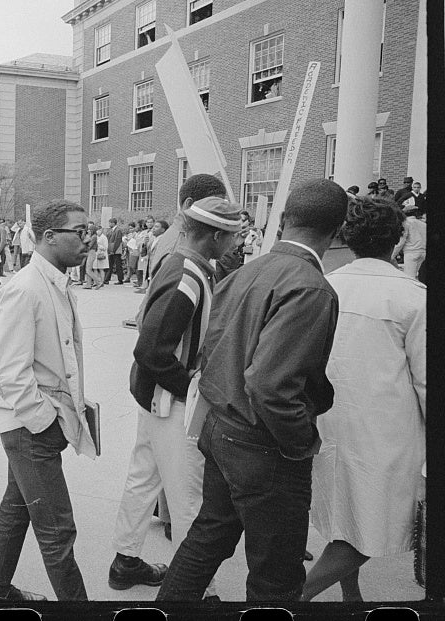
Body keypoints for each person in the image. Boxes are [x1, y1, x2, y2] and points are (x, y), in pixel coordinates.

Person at [156, 178, 350, 602]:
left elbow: (214, 355)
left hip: (223, 428)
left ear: (282, 221)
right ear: (337, 233)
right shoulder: (310, 287)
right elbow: (270, 385)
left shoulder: (244, 272)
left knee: (207, 538)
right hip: (263, 444)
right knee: (276, 576)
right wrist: (300, 443)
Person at [108, 197, 241, 597]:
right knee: (189, 501)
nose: (236, 243)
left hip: (157, 399)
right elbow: (151, 351)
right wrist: (192, 391)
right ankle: (200, 591)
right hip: (172, 404)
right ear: (215, 236)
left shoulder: (184, 265)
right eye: (232, 236)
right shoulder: (188, 275)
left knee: (143, 479)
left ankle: (126, 560)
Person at [300, 196, 426, 602]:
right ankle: (295, 598)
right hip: (386, 434)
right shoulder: (414, 297)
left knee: (345, 518)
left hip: (328, 424)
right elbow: (427, 383)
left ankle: (350, 596)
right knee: (373, 526)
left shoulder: (326, 284)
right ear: (398, 240)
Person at [0, 199, 96, 602]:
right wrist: (44, 421)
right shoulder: (25, 288)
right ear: (49, 237)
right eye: (79, 232)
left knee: (18, 508)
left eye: (88, 231)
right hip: (31, 428)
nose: (87, 239)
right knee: (57, 530)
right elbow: (9, 369)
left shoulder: (56, 283)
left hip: (41, 424)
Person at [392, 207, 426, 281]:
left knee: (409, 278)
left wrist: (392, 255)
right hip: (423, 252)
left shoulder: (405, 223)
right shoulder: (423, 224)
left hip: (411, 252)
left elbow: (401, 241)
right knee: (417, 277)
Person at [101, 218, 125, 285]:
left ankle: (120, 279)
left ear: (113, 223)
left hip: (116, 251)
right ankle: (106, 279)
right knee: (109, 265)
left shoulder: (118, 230)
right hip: (111, 249)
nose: (109, 224)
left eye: (110, 223)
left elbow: (117, 241)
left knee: (118, 265)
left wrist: (113, 250)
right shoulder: (111, 230)